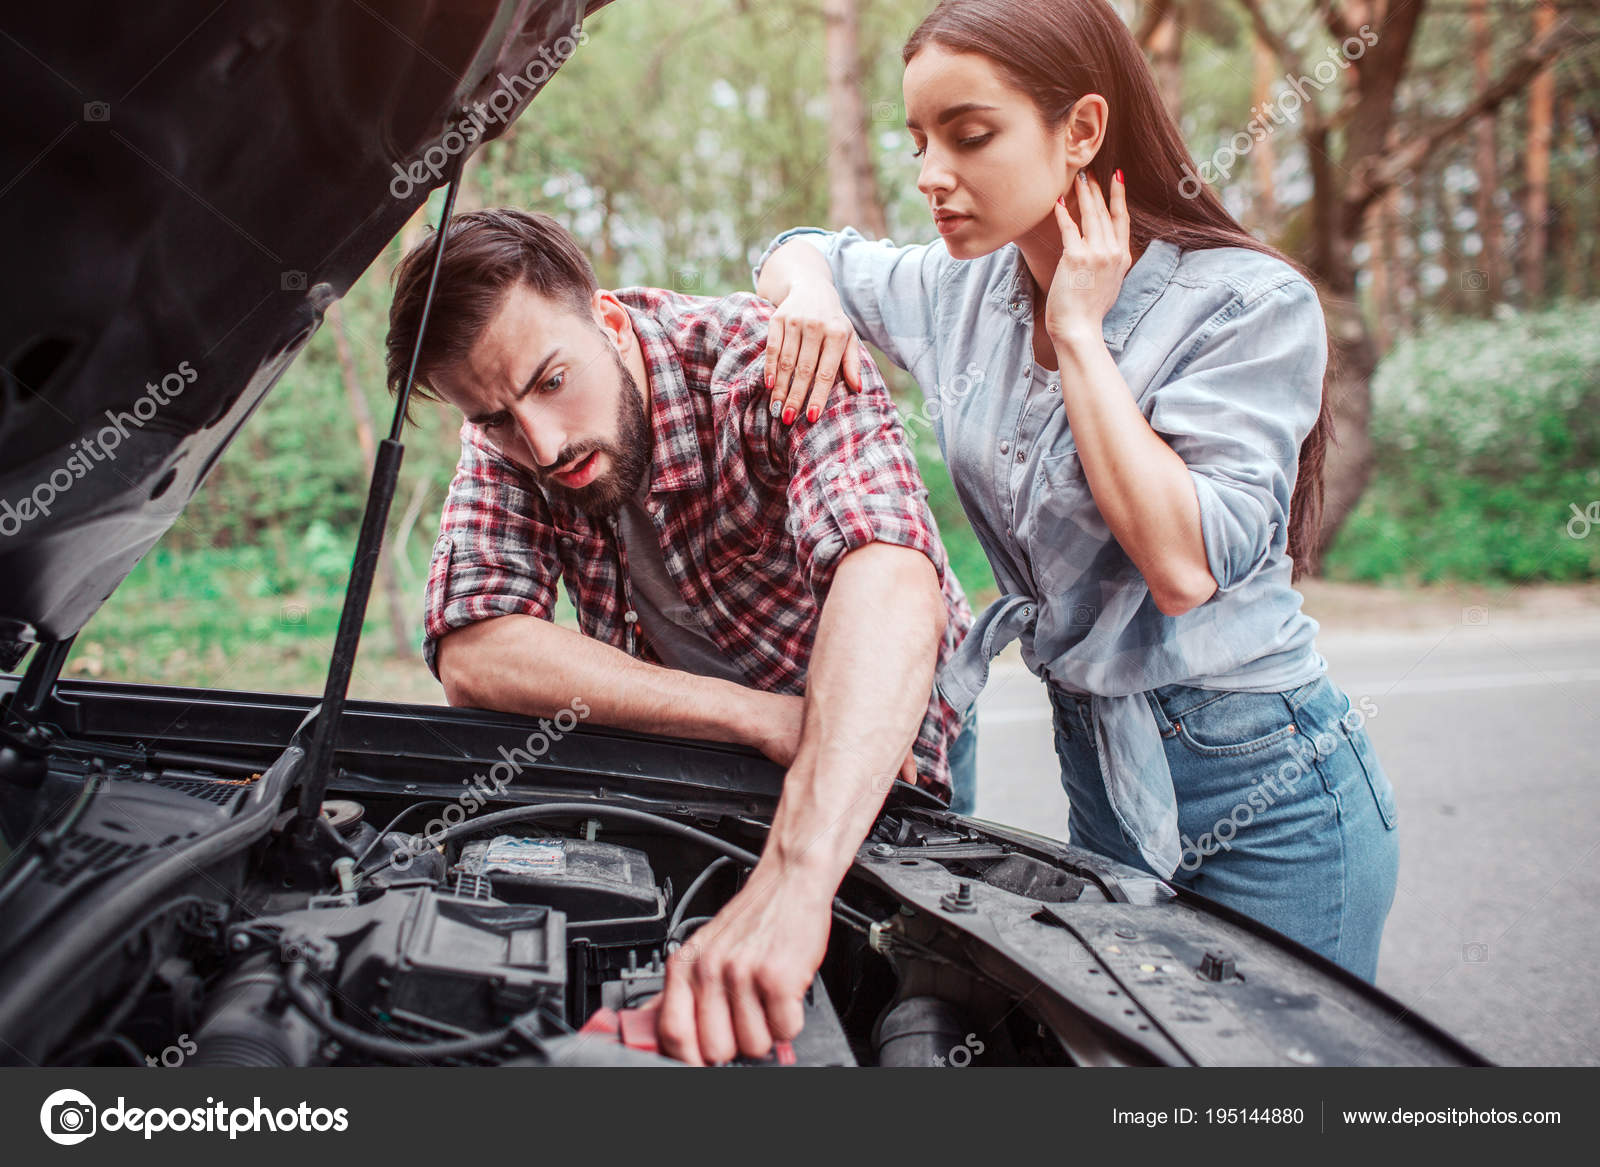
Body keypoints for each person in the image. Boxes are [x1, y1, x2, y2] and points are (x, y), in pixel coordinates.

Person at [752, 0, 1399, 984]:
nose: (930, 175)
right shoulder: (957, 288)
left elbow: (1183, 563)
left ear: (1082, 129)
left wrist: (1080, 334)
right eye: (918, 142)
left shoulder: (1246, 303)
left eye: (970, 135)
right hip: (1100, 775)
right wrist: (807, 295)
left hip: (1270, 793)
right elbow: (798, 247)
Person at [387, 208, 976, 1062]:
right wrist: (753, 715)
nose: (542, 446)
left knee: (913, 977)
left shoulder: (769, 360)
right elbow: (476, 649)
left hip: (881, 723)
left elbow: (889, 570)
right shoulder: (507, 432)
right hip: (724, 745)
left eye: (553, 382)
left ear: (609, 319)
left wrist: (795, 882)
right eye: (496, 418)